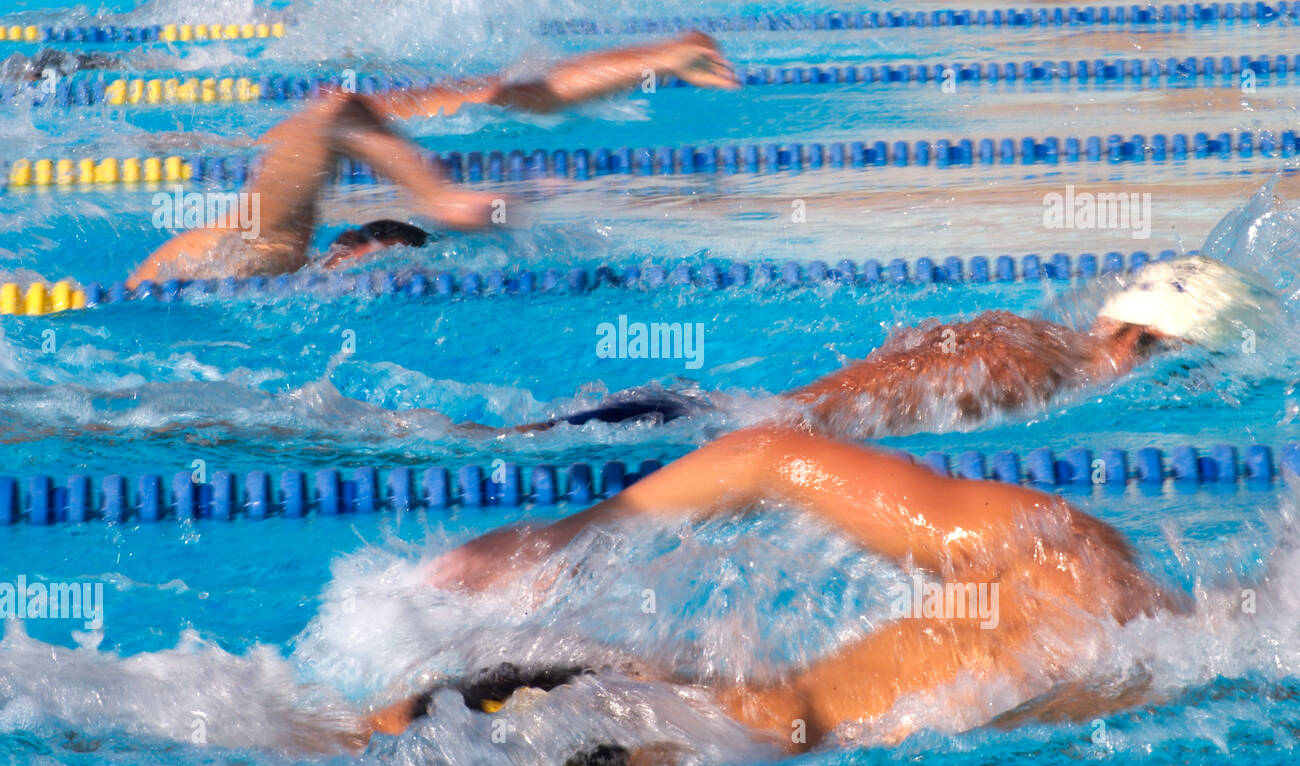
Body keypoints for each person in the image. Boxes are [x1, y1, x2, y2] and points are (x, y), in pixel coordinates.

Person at [357, 423, 1188, 766]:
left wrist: (581, 531)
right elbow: (773, 457)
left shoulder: (1047, 550)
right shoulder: (1062, 557)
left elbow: (772, 456)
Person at [416, 254, 1279, 436]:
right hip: (714, 431)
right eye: (1179, 366)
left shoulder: (1034, 334)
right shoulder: (1041, 370)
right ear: (1139, 340)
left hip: (704, 412)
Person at [125, 32, 738, 287]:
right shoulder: (265, 253)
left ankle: (666, 55)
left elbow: (332, 115)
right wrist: (446, 200)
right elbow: (330, 115)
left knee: (507, 93)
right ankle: (666, 55)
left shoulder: (259, 249)